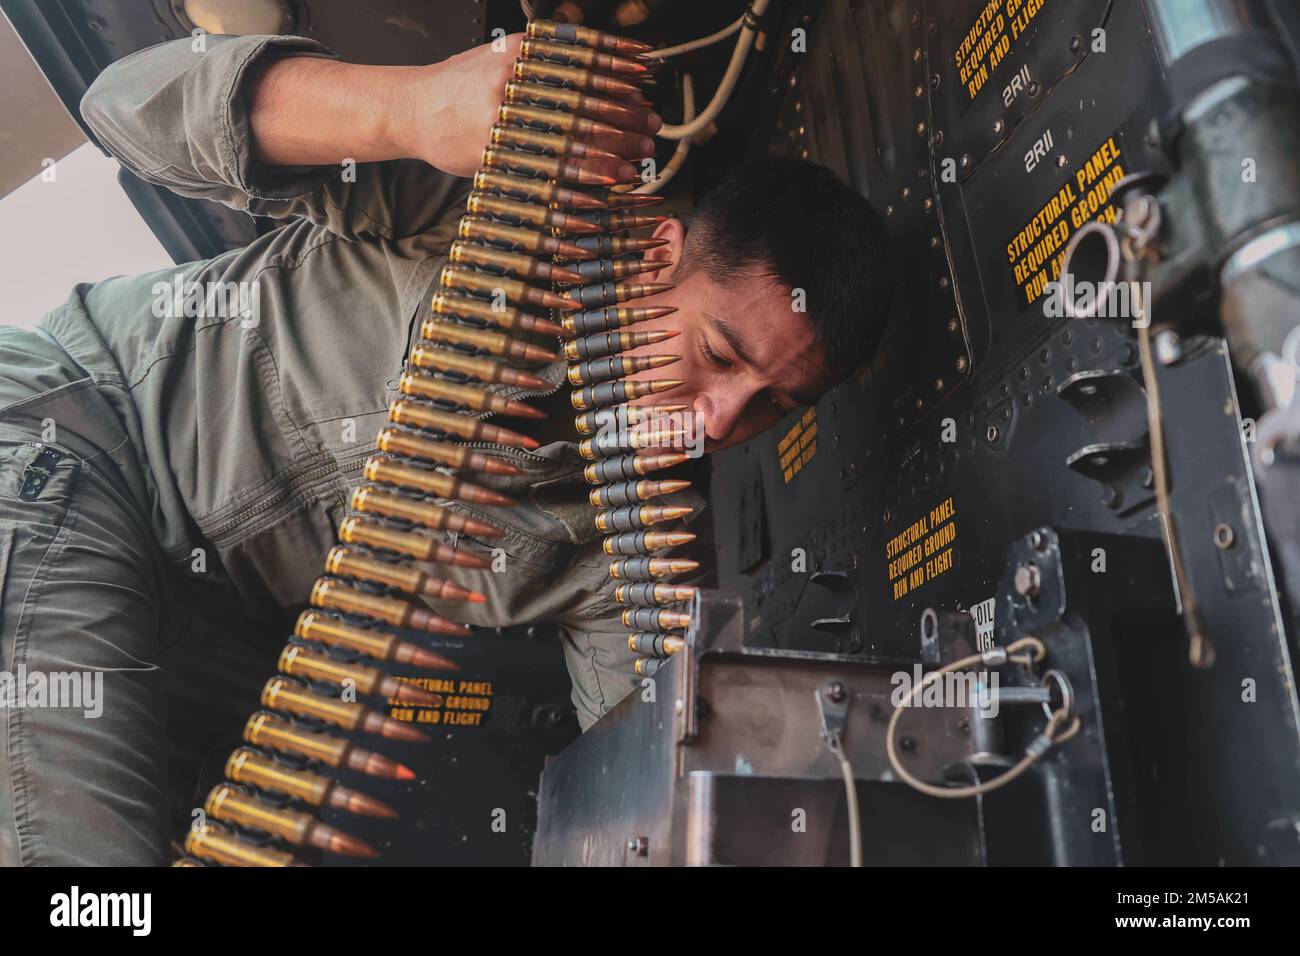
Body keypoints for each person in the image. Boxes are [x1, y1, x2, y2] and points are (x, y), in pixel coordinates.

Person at [0, 31, 891, 865]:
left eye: (774, 403)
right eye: (717, 354)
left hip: (214, 643)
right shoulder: (489, 211)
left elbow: (634, 766)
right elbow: (124, 105)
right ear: (658, 256)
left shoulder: (628, 544)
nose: (719, 421)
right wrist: (410, 108)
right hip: (79, 443)